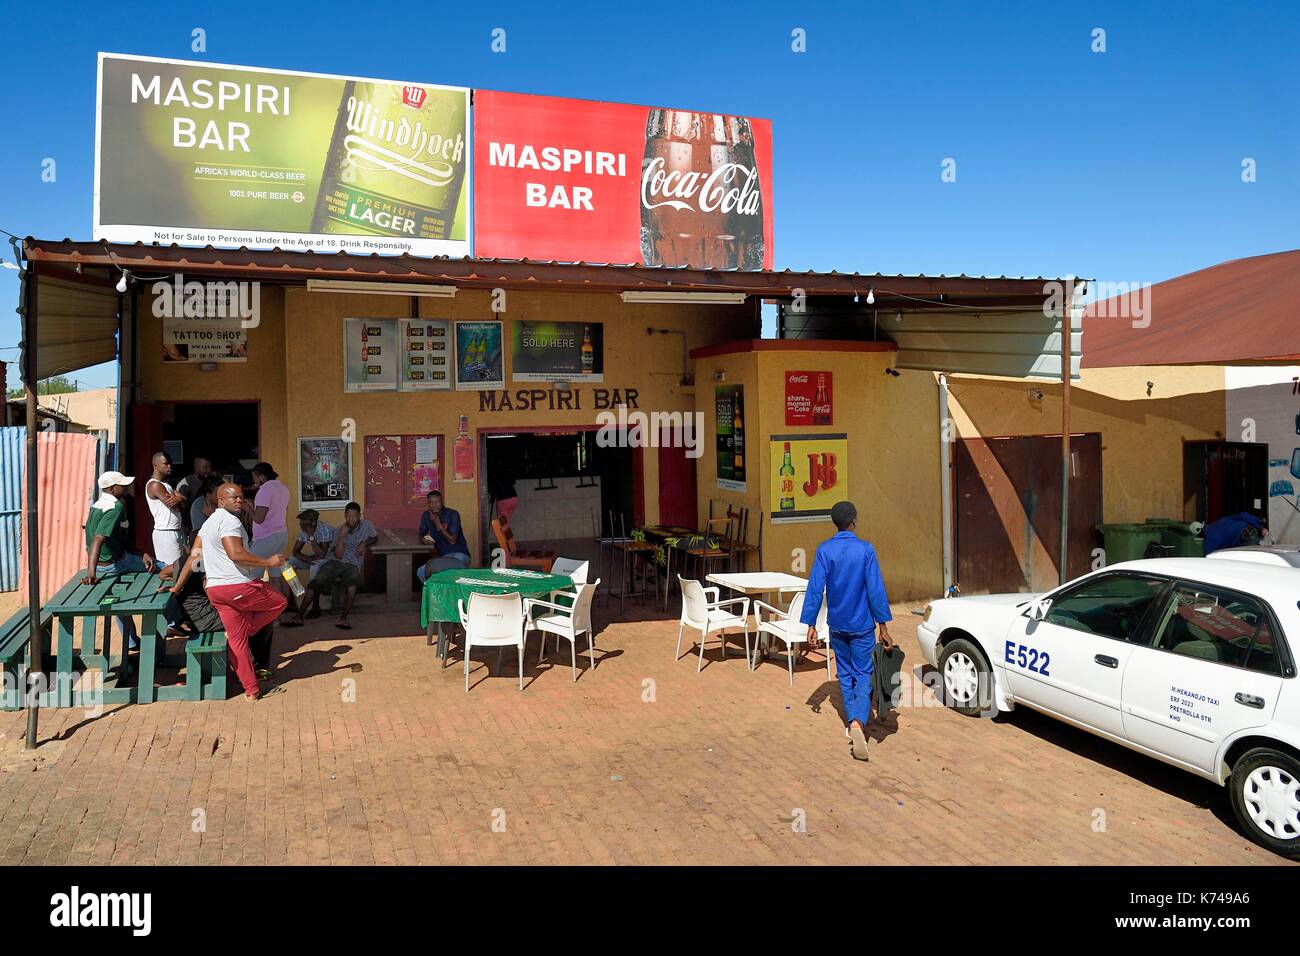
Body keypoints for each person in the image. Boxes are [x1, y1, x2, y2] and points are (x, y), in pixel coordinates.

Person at [800, 500, 894, 762]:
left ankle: (853, 719)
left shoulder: (824, 550)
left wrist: (810, 624)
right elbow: (875, 590)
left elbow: (815, 588)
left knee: (845, 672)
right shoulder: (866, 550)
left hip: (837, 625)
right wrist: (883, 626)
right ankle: (856, 722)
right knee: (863, 673)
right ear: (854, 520)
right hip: (862, 625)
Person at [199, 482, 287, 701]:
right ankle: (245, 632)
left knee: (238, 643)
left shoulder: (209, 523)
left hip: (216, 590)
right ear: (220, 501)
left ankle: (252, 691)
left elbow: (195, 551)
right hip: (237, 586)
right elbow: (236, 554)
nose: (239, 500)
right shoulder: (228, 521)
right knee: (280, 602)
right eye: (233, 498)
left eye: (241, 496)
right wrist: (267, 561)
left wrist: (209, 573)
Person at [160, 535, 277, 684]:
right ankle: (257, 668)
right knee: (261, 621)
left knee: (251, 618)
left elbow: (162, 573)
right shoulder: (201, 564)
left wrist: (178, 584)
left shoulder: (179, 562)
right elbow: (212, 594)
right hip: (206, 620)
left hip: (191, 618)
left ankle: (248, 662)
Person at [84, 471, 156, 650]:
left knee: (117, 601)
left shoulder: (97, 505)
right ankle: (171, 623)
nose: (126, 487)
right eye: (122, 485)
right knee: (161, 568)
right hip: (114, 564)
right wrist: (91, 574)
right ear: (112, 489)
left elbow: (120, 539)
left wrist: (140, 553)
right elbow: (98, 539)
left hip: (104, 565)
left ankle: (131, 641)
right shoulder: (115, 507)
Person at [287, 502, 376, 630]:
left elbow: (374, 537)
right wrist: (341, 536)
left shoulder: (365, 526)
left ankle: (332, 614)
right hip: (333, 561)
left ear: (359, 516)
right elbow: (337, 556)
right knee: (287, 564)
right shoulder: (337, 530)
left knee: (349, 585)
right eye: (348, 516)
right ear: (345, 516)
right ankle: (296, 602)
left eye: (354, 516)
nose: (351, 519)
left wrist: (365, 543)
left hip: (345, 563)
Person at [247, 462, 291, 598]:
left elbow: (259, 518)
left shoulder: (264, 490)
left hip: (265, 539)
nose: (254, 481)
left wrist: (248, 509)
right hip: (281, 536)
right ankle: (277, 616)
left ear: (262, 476)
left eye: (255, 477)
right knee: (275, 576)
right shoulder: (283, 488)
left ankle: (258, 611)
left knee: (252, 576)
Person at [417, 490, 471, 582]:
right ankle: (433, 594)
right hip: (442, 557)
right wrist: (423, 540)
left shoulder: (452, 514)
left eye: (437, 502)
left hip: (459, 555)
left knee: (448, 573)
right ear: (428, 504)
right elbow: (421, 533)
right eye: (431, 503)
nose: (434, 505)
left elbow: (452, 540)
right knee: (421, 571)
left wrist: (438, 524)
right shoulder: (426, 515)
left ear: (442, 502)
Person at [145, 452, 187, 569]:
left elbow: (184, 502)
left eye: (170, 464)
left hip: (176, 530)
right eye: (166, 464)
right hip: (165, 532)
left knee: (181, 567)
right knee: (172, 568)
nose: (170, 466)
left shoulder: (166, 484)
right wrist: (180, 499)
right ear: (155, 465)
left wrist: (179, 499)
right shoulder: (155, 485)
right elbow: (175, 506)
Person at [1203, 512, 1269, 555]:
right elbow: (1243, 515)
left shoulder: (1210, 537)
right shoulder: (1222, 520)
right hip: (1251, 529)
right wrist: (1261, 527)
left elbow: (1208, 556)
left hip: (1245, 538)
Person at [175, 457, 213, 532]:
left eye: (210, 467)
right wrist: (185, 528)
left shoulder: (211, 481)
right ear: (196, 467)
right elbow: (181, 510)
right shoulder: (185, 484)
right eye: (205, 467)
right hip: (192, 527)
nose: (208, 470)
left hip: (208, 525)